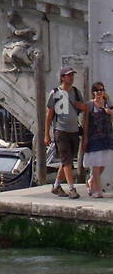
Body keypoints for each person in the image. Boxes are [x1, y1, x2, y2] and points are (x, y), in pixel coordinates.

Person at [46, 66, 87, 199]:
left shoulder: (76, 92)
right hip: (60, 130)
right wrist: (46, 134)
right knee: (68, 161)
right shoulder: (55, 93)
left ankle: (57, 185)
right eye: (69, 75)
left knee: (66, 161)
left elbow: (84, 107)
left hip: (74, 130)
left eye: (72, 75)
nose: (71, 77)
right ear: (62, 77)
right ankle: (71, 189)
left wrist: (81, 106)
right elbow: (49, 114)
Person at [84, 82, 112, 198]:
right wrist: (85, 138)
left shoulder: (108, 103)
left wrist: (110, 112)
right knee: (95, 163)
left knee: (103, 163)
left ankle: (91, 181)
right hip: (94, 137)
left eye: (101, 90)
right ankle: (97, 190)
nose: (99, 92)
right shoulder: (90, 105)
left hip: (106, 136)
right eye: (97, 90)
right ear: (93, 92)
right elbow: (85, 122)